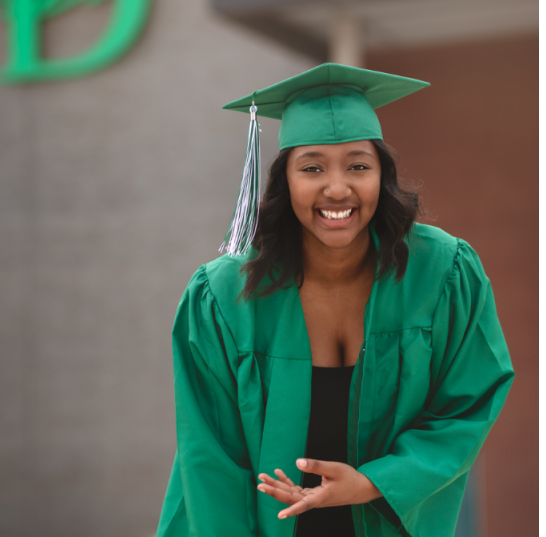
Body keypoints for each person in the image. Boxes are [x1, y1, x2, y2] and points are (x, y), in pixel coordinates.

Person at [156, 64, 515, 537]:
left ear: (383, 174)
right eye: (312, 168)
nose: (338, 188)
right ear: (284, 180)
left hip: (391, 522)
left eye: (358, 166)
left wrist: (372, 482)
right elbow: (209, 455)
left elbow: (468, 401)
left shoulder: (443, 272)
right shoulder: (222, 296)